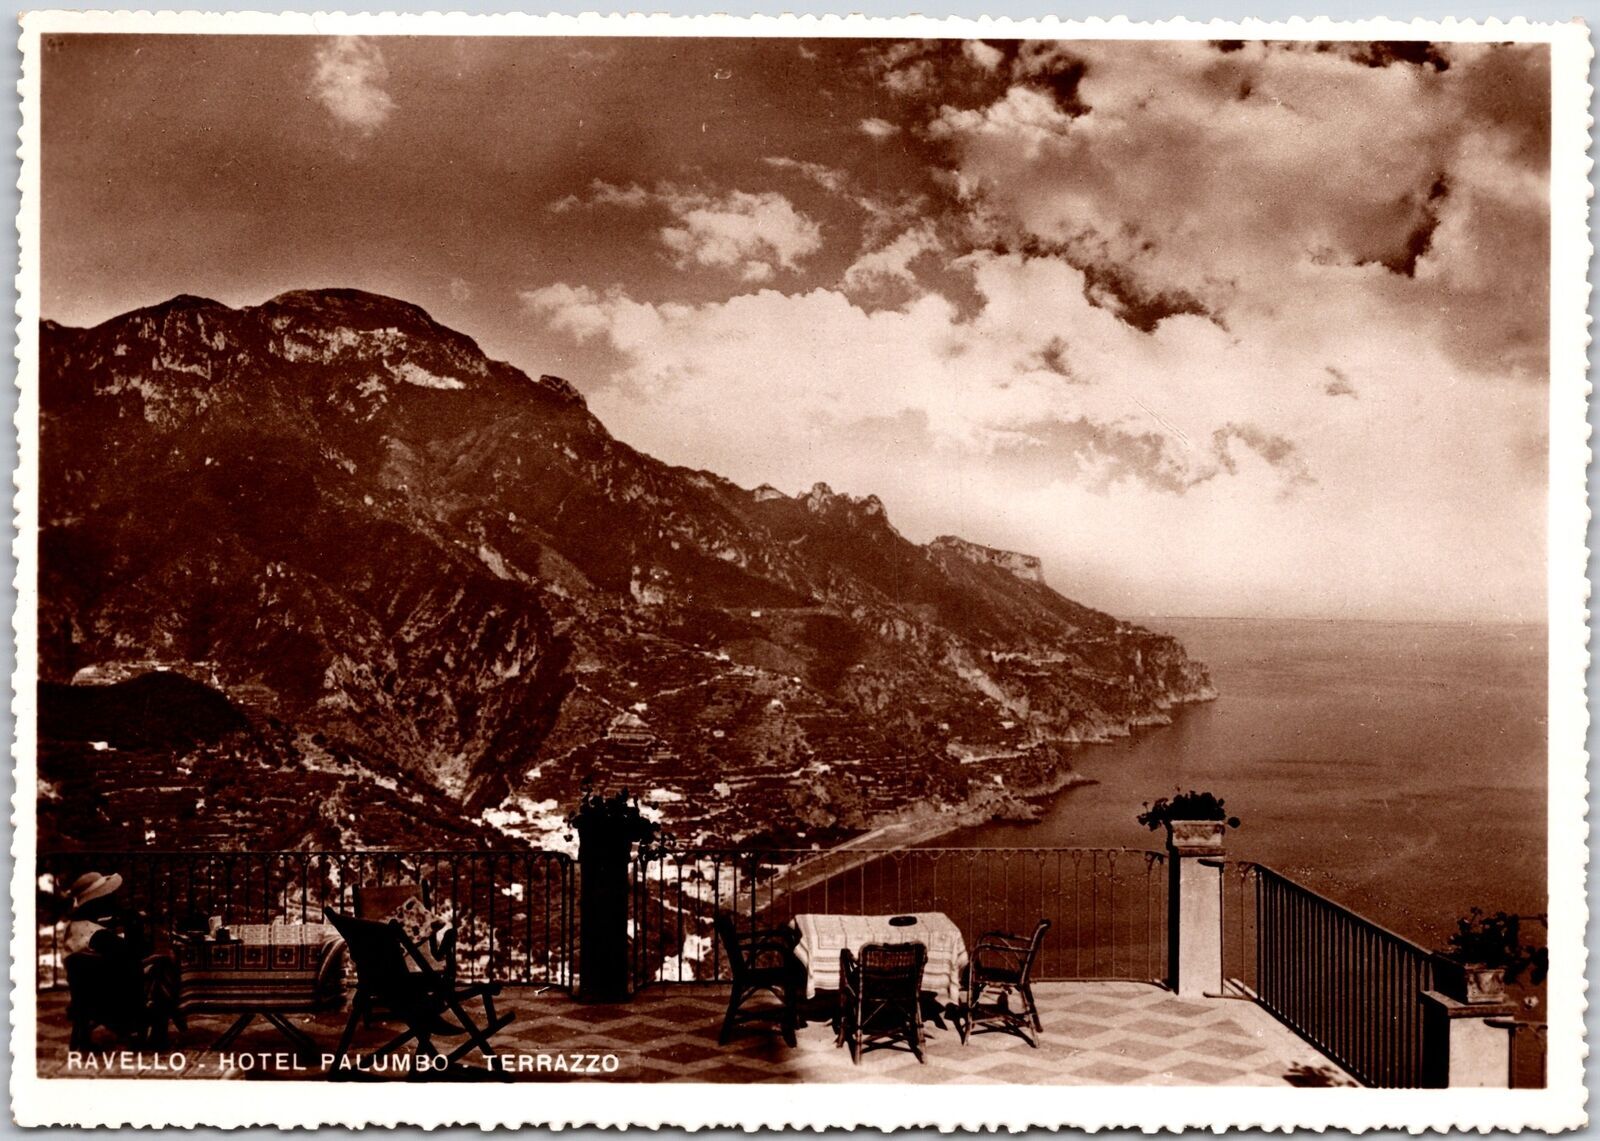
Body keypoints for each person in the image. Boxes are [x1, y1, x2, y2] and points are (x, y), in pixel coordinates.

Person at [62, 871, 182, 1049]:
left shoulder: (74, 928)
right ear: (97, 902)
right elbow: (133, 956)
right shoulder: (98, 935)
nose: (113, 900)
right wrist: (134, 926)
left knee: (151, 965)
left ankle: (84, 1036)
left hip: (86, 994)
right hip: (115, 1001)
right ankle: (156, 1034)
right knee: (162, 966)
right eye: (107, 897)